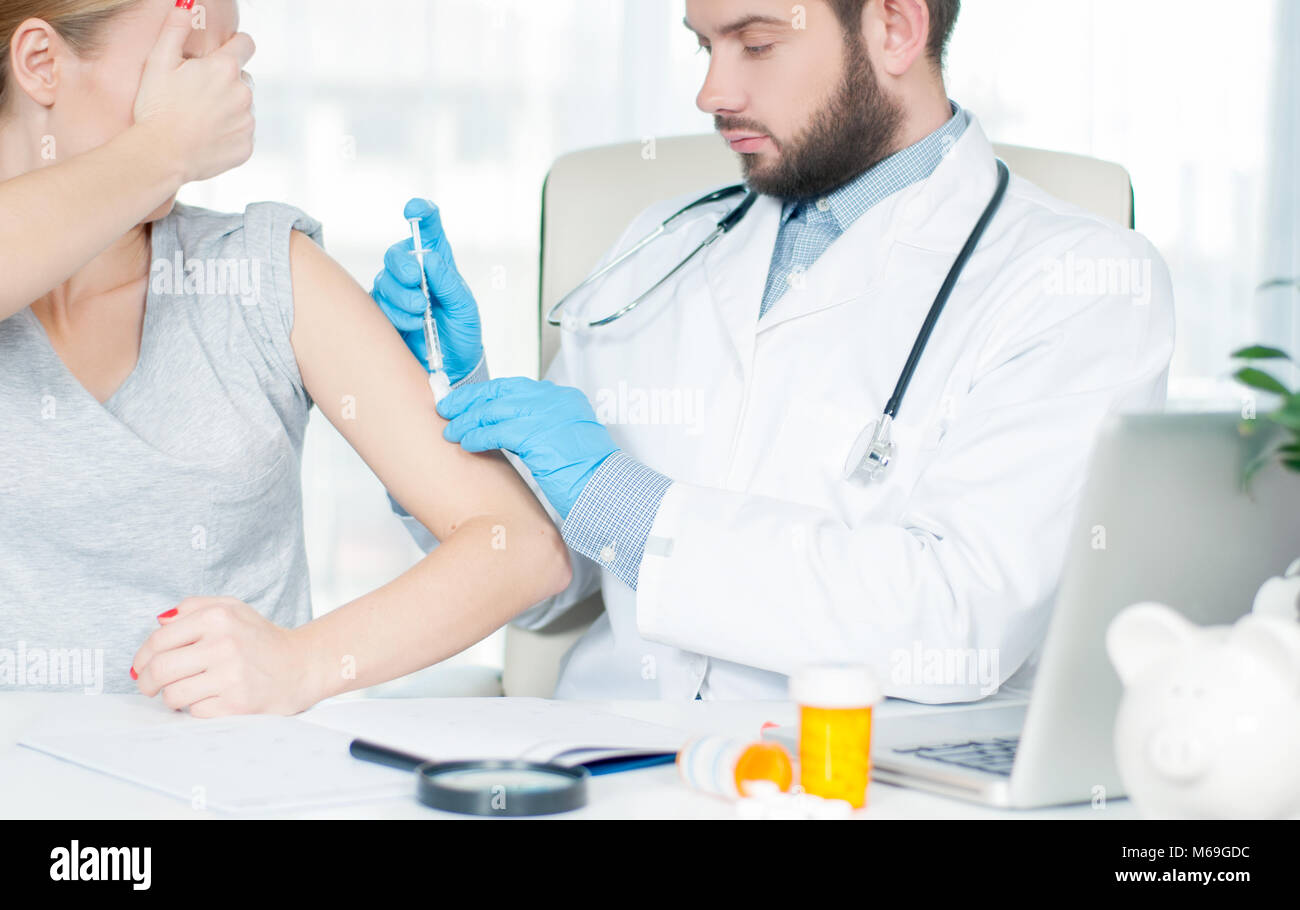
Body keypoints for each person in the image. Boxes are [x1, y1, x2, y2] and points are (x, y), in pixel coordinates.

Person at [371, 0, 1176, 703]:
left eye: (755, 44)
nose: (711, 92)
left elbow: (960, 621)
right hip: (601, 757)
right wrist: (443, 397)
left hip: (856, 781)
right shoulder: (662, 246)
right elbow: (541, 577)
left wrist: (624, 503)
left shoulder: (1080, 282)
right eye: (703, 45)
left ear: (896, 27)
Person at [0, 0, 571, 713]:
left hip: (232, 774)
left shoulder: (262, 272)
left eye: (227, 66)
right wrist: (164, 144)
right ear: (42, 64)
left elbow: (521, 547)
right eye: (185, 63)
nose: (222, 95)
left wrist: (302, 664)